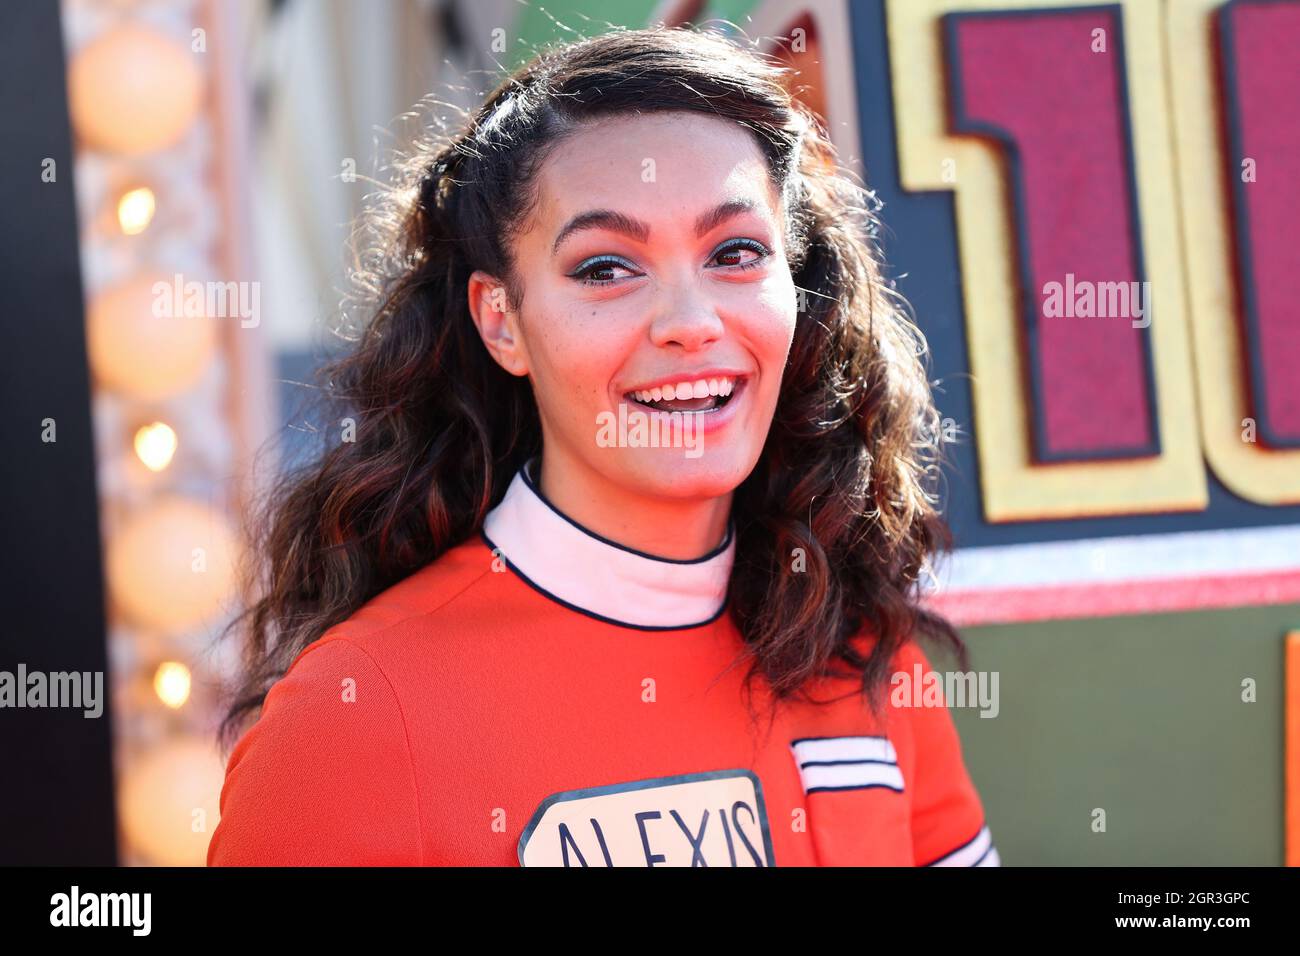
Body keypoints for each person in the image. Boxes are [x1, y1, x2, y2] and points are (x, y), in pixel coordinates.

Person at [207, 24, 999, 867]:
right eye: (606, 268)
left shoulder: (862, 651)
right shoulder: (354, 714)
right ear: (501, 321)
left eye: (735, 252)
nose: (691, 324)